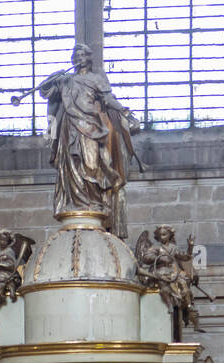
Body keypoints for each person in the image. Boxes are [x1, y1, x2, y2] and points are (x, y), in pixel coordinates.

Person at [39, 43, 140, 238]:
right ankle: (76, 202)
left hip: (92, 126)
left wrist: (124, 112)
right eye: (74, 56)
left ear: (88, 58)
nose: (76, 59)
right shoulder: (65, 81)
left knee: (92, 163)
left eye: (81, 55)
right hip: (70, 126)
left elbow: (108, 99)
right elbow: (46, 93)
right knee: (71, 165)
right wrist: (52, 78)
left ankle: (94, 201)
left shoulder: (96, 79)